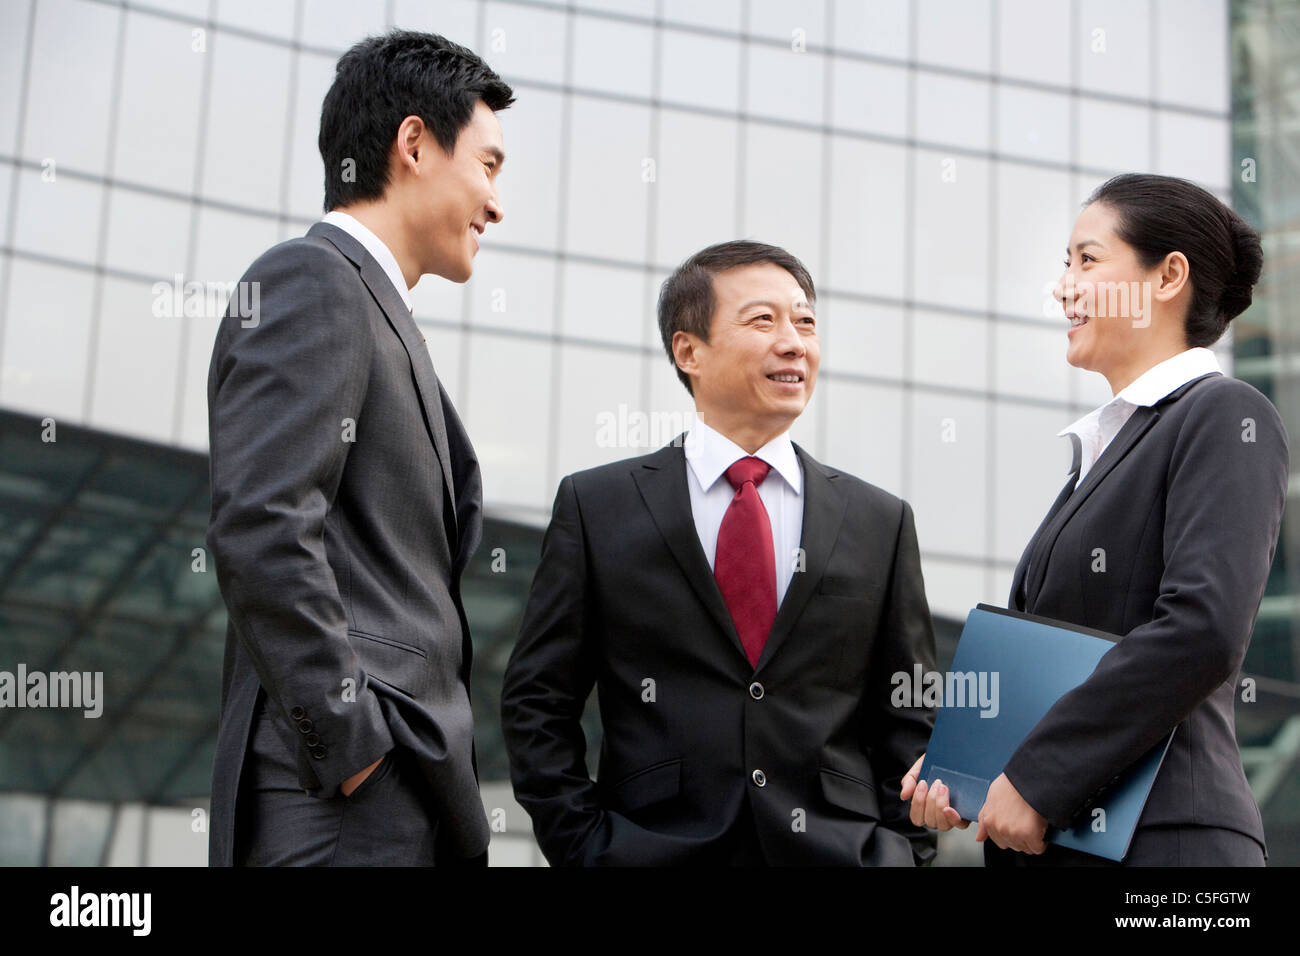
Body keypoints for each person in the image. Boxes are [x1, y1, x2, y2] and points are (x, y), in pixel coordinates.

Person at [501, 240, 938, 866]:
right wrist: (586, 848)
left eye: (805, 322)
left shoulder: (880, 521)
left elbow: (910, 709)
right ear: (689, 351)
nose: (794, 343)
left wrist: (903, 853)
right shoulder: (598, 507)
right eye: (763, 320)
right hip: (650, 852)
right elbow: (538, 701)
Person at [902, 173, 1287, 866]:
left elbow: (1202, 627)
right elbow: (1067, 655)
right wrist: (964, 766)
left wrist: (1036, 777)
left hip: (1169, 847)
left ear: (1168, 276)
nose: (1063, 287)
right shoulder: (1106, 451)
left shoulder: (1225, 413)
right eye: (1066, 264)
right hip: (1077, 842)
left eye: (1087, 259)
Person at [205, 30, 512, 866]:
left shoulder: (371, 307)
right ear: (414, 143)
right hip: (340, 801)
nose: (496, 204)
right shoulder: (313, 281)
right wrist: (355, 752)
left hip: (393, 797)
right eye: (488, 166)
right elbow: (262, 524)